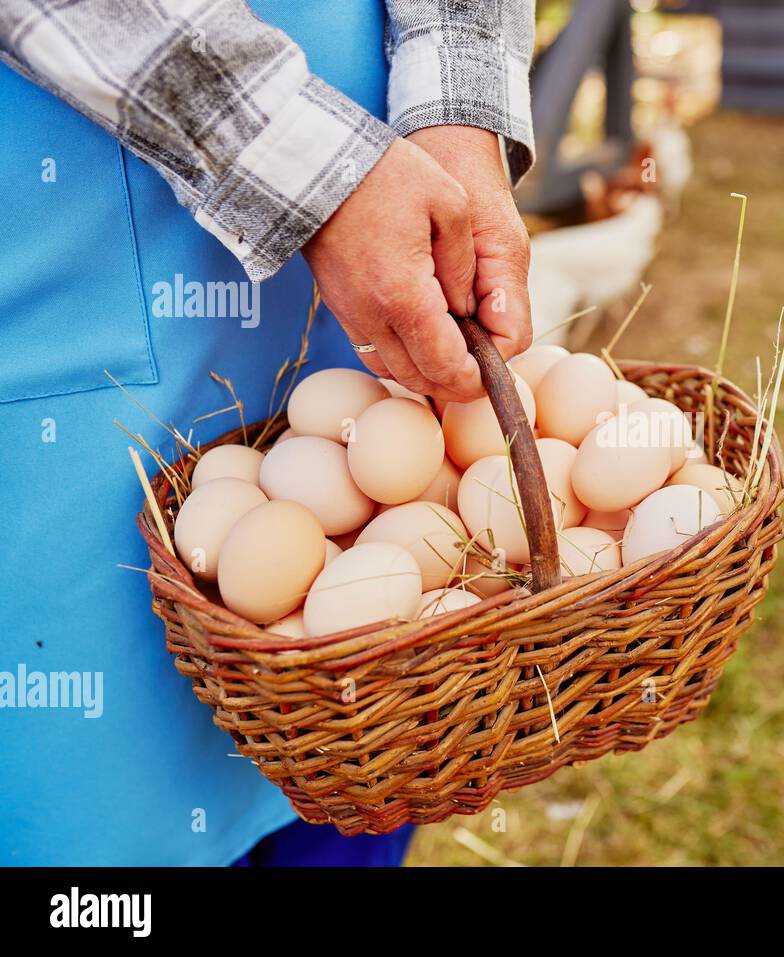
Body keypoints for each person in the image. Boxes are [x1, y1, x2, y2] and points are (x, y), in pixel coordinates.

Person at [0, 0, 536, 865]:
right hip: (80, 197)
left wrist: (457, 111)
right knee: (93, 809)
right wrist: (314, 170)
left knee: (351, 741)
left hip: (376, 193)